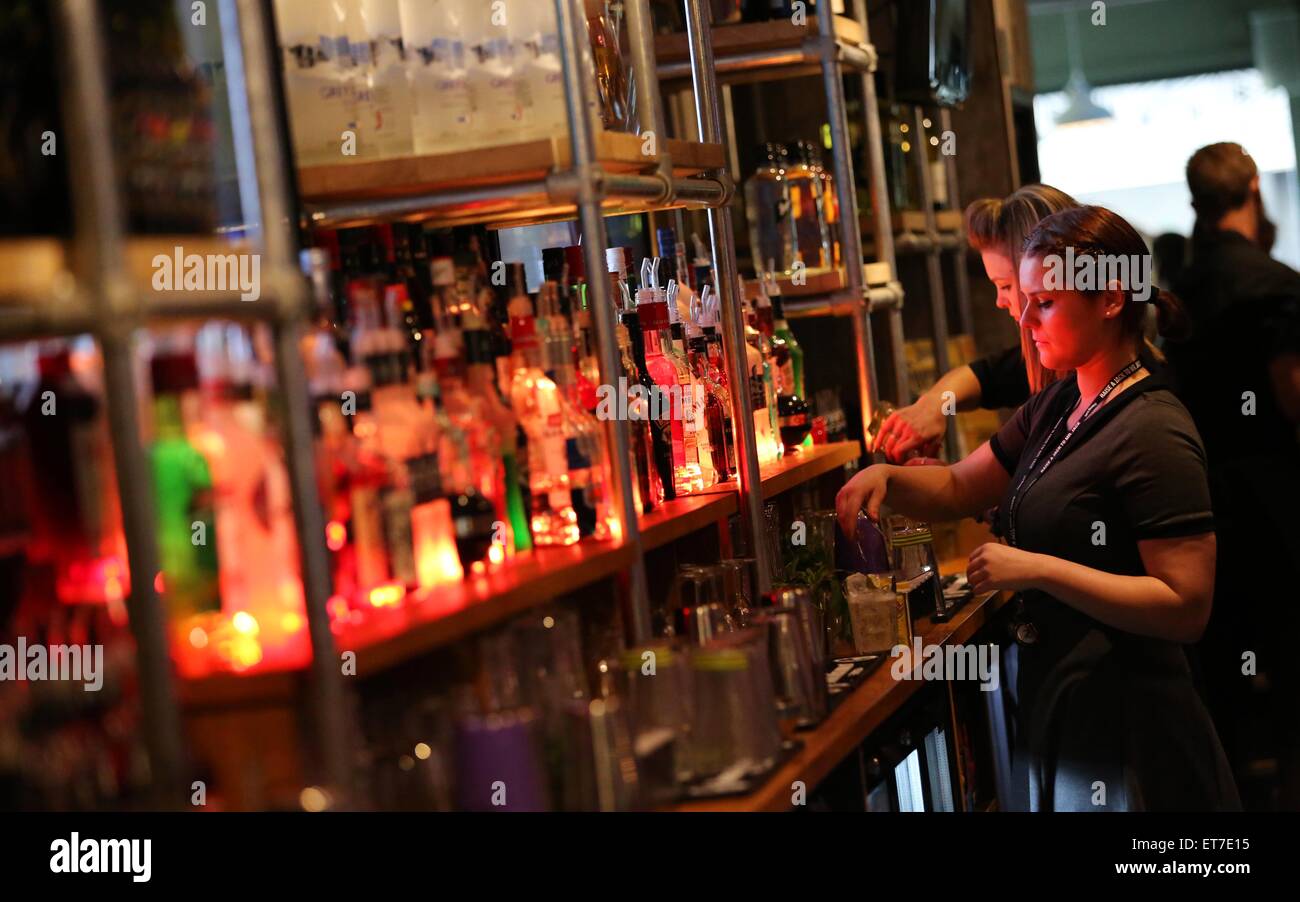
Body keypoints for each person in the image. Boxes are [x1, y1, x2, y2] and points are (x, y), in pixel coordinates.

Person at [837, 206, 1239, 811]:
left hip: (1133, 725)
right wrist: (886, 478)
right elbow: (959, 488)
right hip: (1068, 708)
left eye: (1043, 302)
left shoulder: (1152, 427)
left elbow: (1186, 607)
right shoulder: (1057, 404)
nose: (1024, 321)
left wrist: (1037, 567)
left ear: (1108, 299)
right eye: (1022, 299)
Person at [1165, 142, 1300, 807]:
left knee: (1220, 682)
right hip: (1279, 503)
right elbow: (1293, 394)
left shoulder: (1175, 295)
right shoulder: (1279, 284)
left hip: (1197, 511)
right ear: (1251, 187)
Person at [870, 185, 1076, 463]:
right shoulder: (1049, 362)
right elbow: (985, 377)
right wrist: (934, 405)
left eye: (1005, 285)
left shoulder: (1097, 393)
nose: (1000, 302)